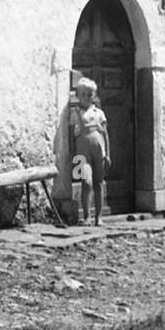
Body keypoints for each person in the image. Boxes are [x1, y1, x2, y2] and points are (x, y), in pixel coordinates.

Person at [69, 77, 110, 227]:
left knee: (99, 183)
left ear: (94, 96)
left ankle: (98, 217)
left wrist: (108, 154)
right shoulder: (74, 113)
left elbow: (105, 134)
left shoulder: (98, 113)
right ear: (78, 95)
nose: (87, 97)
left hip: (99, 151)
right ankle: (87, 216)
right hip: (82, 154)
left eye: (90, 94)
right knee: (86, 182)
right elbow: (71, 136)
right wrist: (73, 155)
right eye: (84, 94)